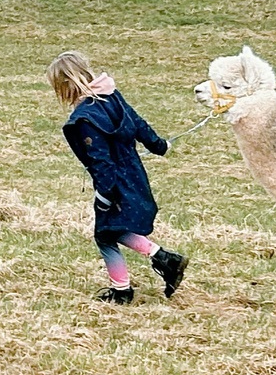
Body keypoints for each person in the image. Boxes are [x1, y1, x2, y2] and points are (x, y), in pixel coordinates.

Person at [48, 51, 188, 304]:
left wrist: (104, 194)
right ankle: (159, 262)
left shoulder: (84, 120)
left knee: (105, 234)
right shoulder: (112, 97)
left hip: (113, 183)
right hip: (133, 173)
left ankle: (129, 285)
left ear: (67, 84)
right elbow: (138, 123)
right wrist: (159, 145)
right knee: (111, 230)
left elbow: (101, 161)